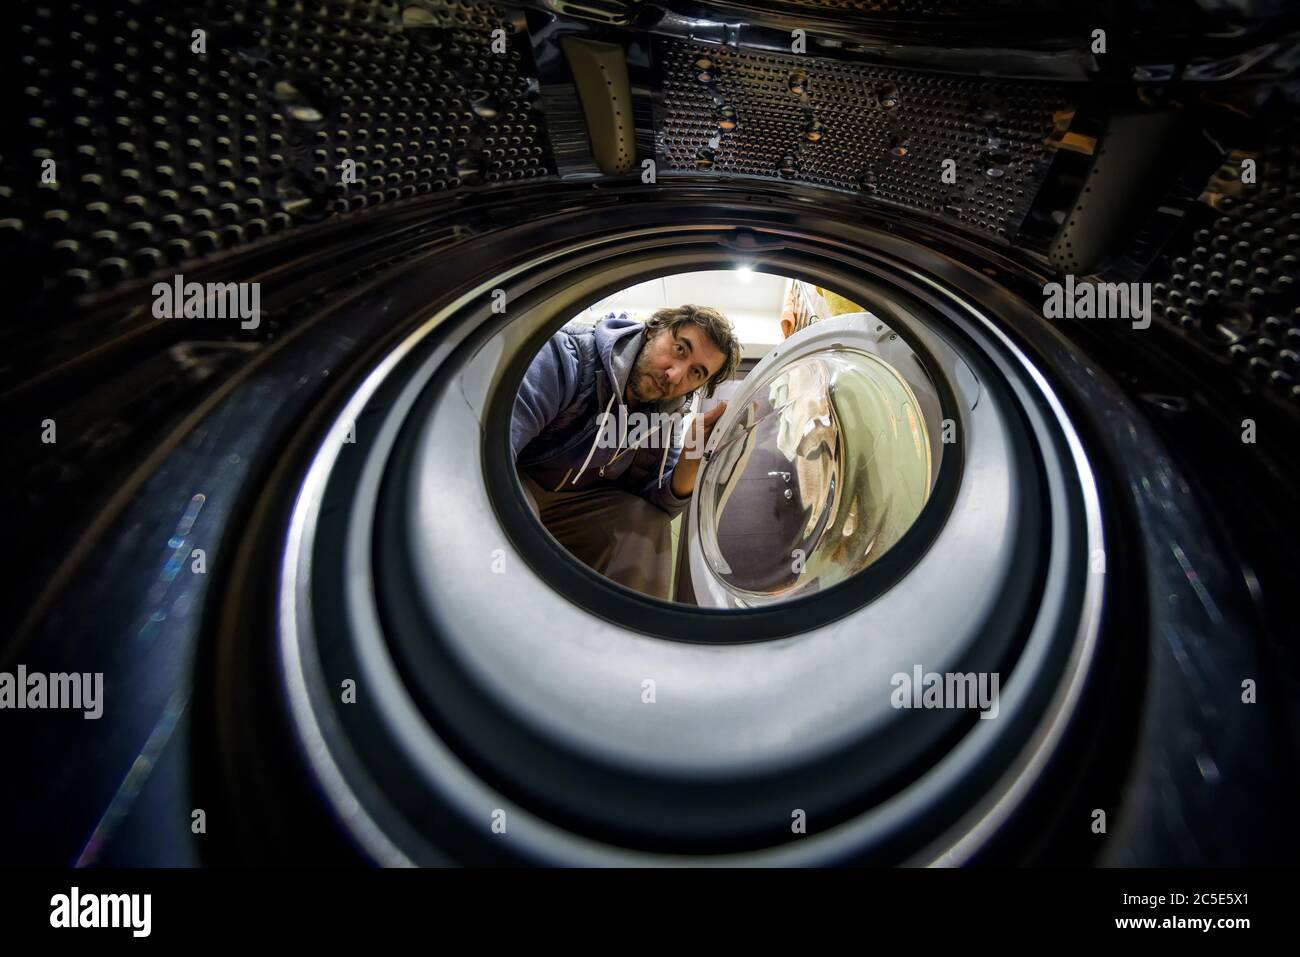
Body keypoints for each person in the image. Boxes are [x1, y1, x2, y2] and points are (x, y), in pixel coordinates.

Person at [512, 304, 742, 599]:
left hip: (576, 508)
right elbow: (494, 449)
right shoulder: (569, 357)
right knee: (517, 505)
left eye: (696, 372)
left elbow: (660, 506)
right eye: (680, 350)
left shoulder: (666, 416)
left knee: (649, 523)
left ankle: (622, 637)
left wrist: (691, 456)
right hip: (522, 479)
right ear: (652, 329)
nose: (674, 375)